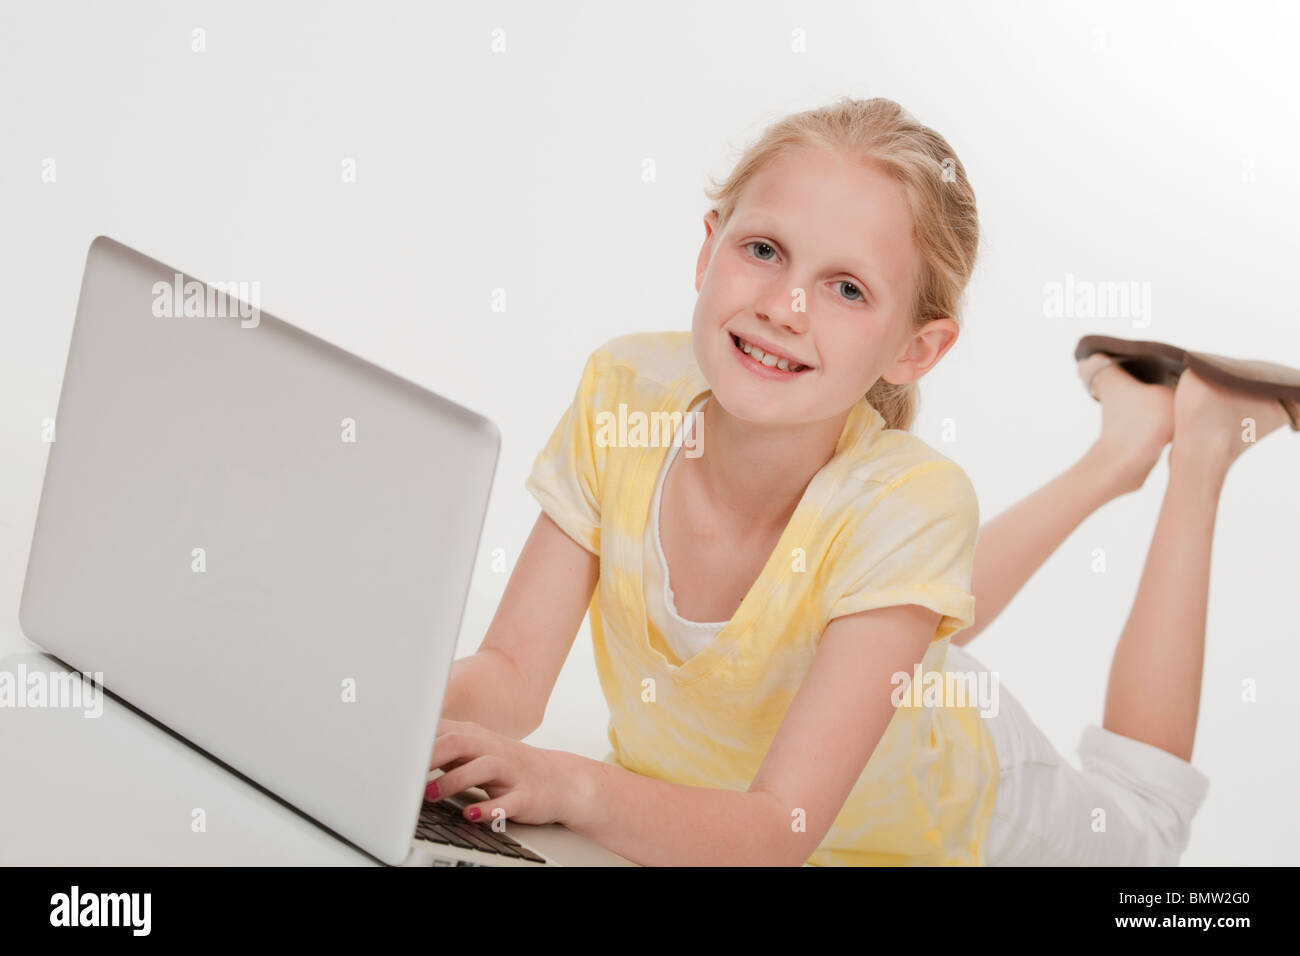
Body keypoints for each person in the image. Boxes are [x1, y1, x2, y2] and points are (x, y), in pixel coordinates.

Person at [425, 97, 1298, 866]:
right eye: (763, 249)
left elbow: (777, 831)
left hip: (957, 796)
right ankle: (1126, 441)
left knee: (1144, 840)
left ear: (918, 348)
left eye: (845, 288)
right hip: (867, 641)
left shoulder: (912, 503)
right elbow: (510, 675)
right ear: (709, 247)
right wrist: (405, 705)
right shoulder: (625, 393)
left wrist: (569, 787)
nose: (785, 305)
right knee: (886, 598)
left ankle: (1203, 443)